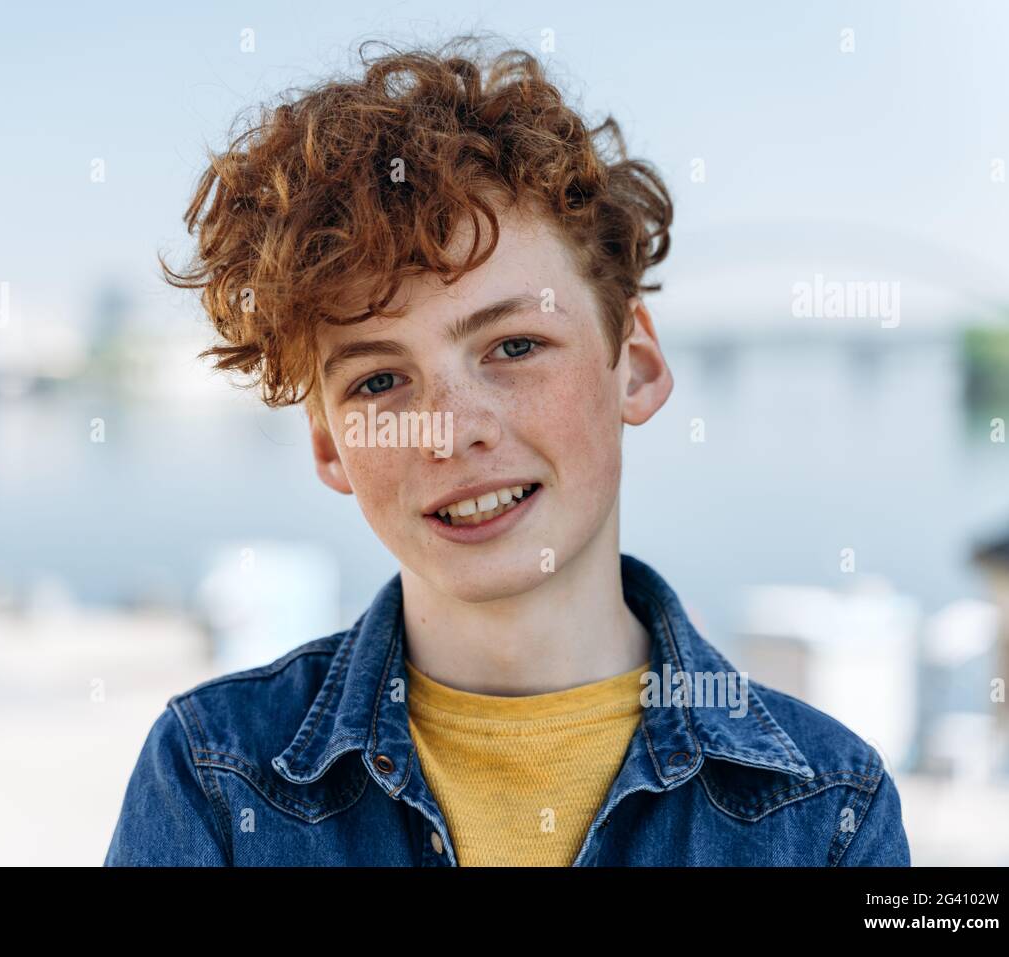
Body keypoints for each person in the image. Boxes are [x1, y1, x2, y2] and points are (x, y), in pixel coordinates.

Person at [104, 35, 910, 866]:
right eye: (380, 382)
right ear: (330, 445)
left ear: (634, 365)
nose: (452, 430)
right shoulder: (211, 778)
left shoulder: (827, 812)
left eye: (514, 347)